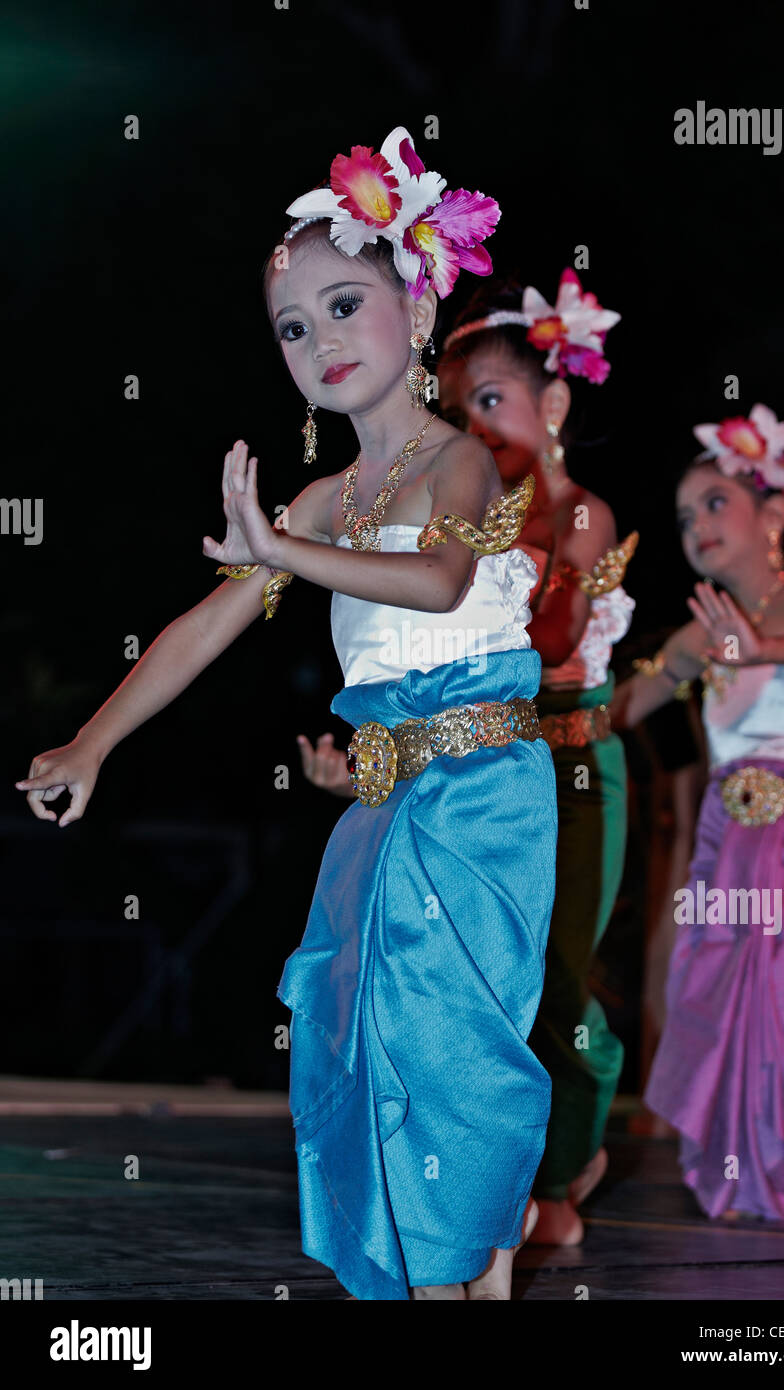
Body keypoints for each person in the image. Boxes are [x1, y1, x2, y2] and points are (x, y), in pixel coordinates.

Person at [16, 125, 558, 1300]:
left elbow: (442, 583)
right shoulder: (319, 496)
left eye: (344, 305)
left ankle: (482, 1262)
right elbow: (206, 627)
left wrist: (290, 552)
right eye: (293, 325)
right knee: (360, 1036)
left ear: (416, 316)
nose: (318, 340)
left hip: (481, 796)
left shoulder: (454, 463)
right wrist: (92, 740)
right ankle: (448, 1273)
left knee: (449, 1041)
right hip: (381, 800)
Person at [300, 266, 637, 1245]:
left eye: (491, 401)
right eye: (458, 407)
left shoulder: (571, 517)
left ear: (555, 401)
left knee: (557, 983)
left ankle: (564, 1172)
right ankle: (476, 1197)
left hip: (568, 772)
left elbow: (553, 625)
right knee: (460, 982)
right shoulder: (460, 491)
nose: (472, 424)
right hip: (467, 764)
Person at [612, 403, 784, 1221]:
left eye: (715, 503)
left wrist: (760, 652)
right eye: (685, 517)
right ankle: (738, 1183)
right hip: (731, 851)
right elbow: (618, 707)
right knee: (719, 1010)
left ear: (777, 513)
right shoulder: (696, 636)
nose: (696, 527)